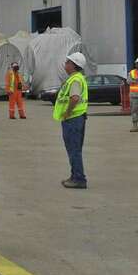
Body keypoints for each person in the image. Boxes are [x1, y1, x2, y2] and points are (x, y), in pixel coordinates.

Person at [55, 52, 89, 189]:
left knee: (74, 150)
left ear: (73, 65)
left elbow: (74, 98)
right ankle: (75, 175)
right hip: (77, 118)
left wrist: (67, 113)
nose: (65, 65)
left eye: (67, 62)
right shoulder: (76, 78)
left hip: (73, 119)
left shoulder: (75, 80)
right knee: (74, 149)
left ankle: (79, 179)